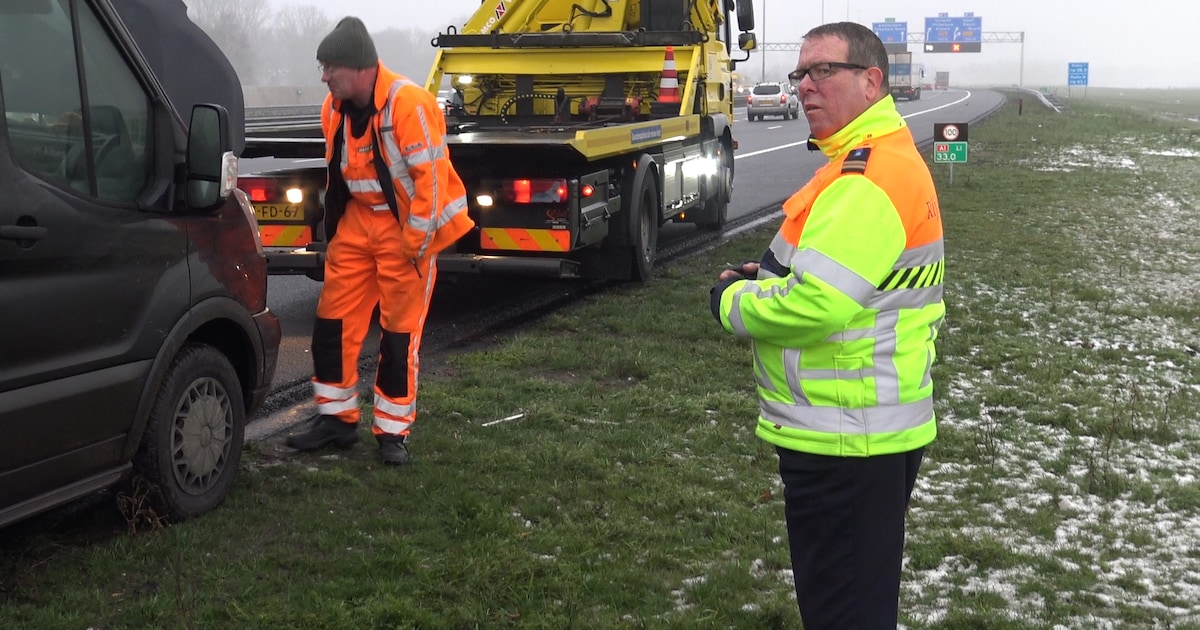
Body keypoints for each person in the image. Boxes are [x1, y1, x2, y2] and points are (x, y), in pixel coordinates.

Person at [709, 22, 944, 629]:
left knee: (843, 613)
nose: (806, 87)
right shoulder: (869, 160)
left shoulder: (866, 179)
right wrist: (763, 275)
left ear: (871, 81)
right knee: (852, 603)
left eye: (823, 72)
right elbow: (838, 277)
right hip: (859, 429)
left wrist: (730, 302)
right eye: (800, 74)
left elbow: (818, 304)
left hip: (847, 436)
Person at [286, 17, 475, 465]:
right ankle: (336, 419)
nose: (324, 75)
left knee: (399, 332)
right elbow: (340, 175)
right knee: (332, 321)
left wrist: (414, 245)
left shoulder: (409, 104)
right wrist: (335, 235)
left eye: (330, 66)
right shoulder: (333, 109)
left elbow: (429, 185)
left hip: (406, 231)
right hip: (357, 224)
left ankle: (392, 433)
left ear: (360, 67)